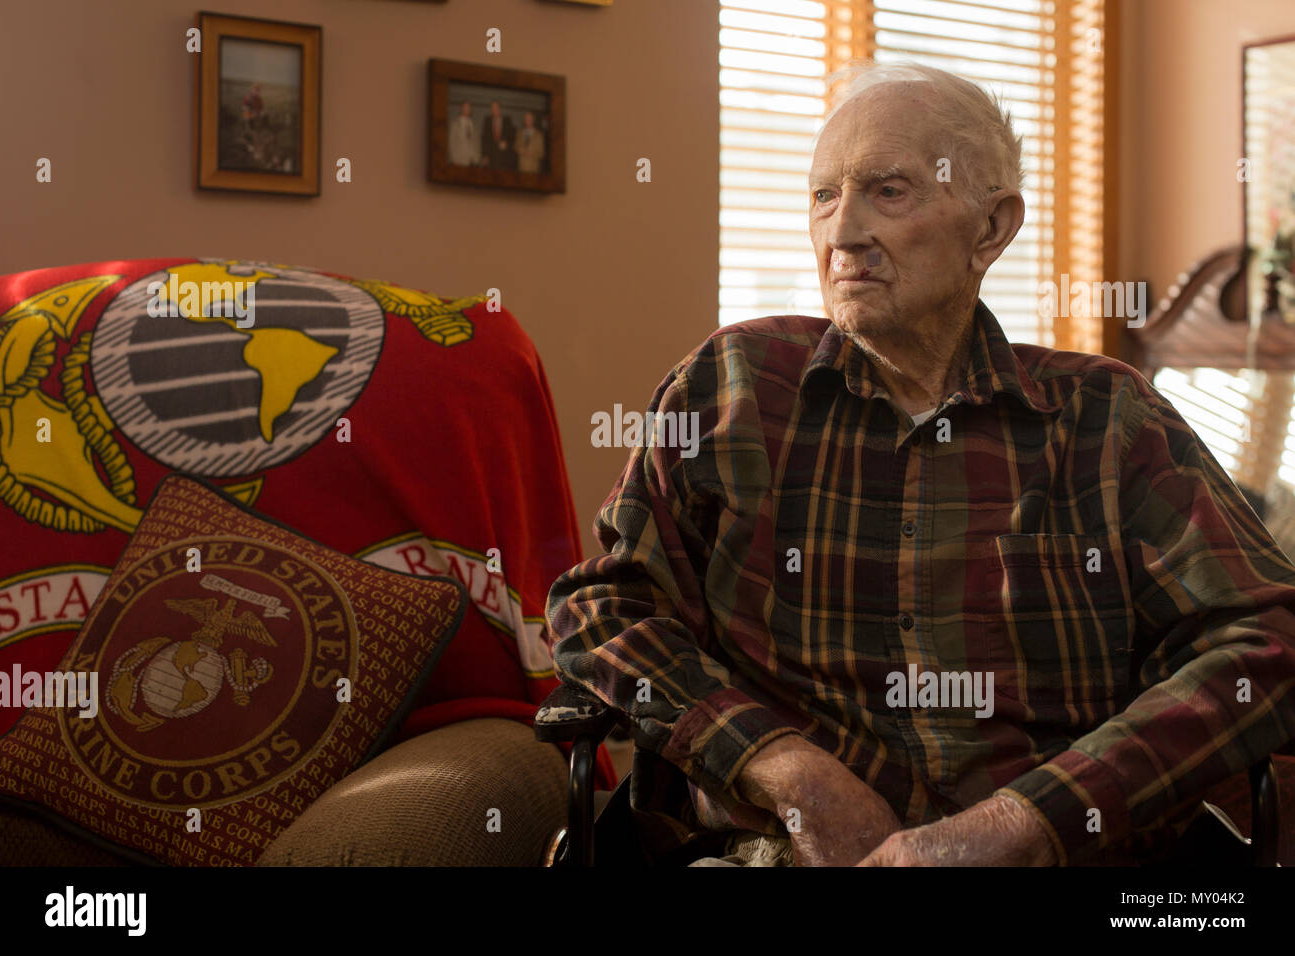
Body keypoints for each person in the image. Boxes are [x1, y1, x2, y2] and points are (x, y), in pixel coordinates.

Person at [545, 61, 1295, 867]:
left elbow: (1268, 637)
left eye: (887, 192)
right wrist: (784, 768)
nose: (842, 233)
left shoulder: (1108, 419)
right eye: (823, 195)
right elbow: (603, 608)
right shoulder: (731, 387)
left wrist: (1030, 821)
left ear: (992, 228)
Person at [481, 100, 517, 171]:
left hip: (505, 159)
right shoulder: (487, 121)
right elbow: (484, 139)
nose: (495, 110)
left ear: (500, 109)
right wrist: (484, 155)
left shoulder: (508, 121)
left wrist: (507, 144)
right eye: (492, 108)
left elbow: (513, 138)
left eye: (496, 107)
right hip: (491, 159)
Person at [448, 100, 481, 167]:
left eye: (469, 107)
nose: (467, 109)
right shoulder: (455, 124)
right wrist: (454, 160)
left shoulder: (474, 125)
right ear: (462, 108)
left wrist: (478, 158)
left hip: (473, 161)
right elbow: (451, 143)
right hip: (459, 161)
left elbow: (477, 142)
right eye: (465, 107)